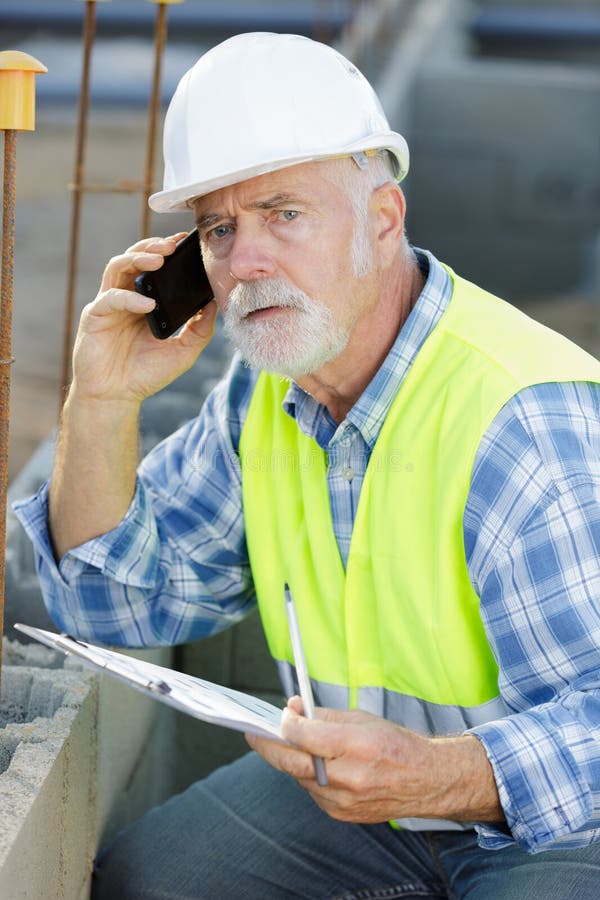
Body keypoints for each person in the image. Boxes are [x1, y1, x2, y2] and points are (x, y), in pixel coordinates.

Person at [15, 32, 600, 899]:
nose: (247, 261)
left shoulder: (522, 417)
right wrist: (100, 402)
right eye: (219, 228)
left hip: (558, 826)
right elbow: (114, 600)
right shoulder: (266, 398)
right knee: (149, 884)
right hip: (367, 803)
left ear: (383, 219)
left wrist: (436, 775)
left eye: (284, 214)